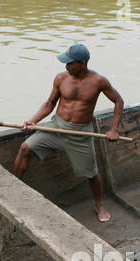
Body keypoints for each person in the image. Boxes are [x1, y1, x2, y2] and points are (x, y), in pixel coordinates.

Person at [14, 43, 125, 223]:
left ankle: (98, 205)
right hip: (57, 126)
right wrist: (34, 120)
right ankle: (13, 189)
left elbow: (118, 101)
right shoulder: (60, 78)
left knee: (91, 172)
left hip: (80, 134)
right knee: (25, 148)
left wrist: (114, 129)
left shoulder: (98, 81)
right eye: (65, 63)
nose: (66, 66)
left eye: (70, 63)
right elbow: (50, 104)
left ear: (83, 63)